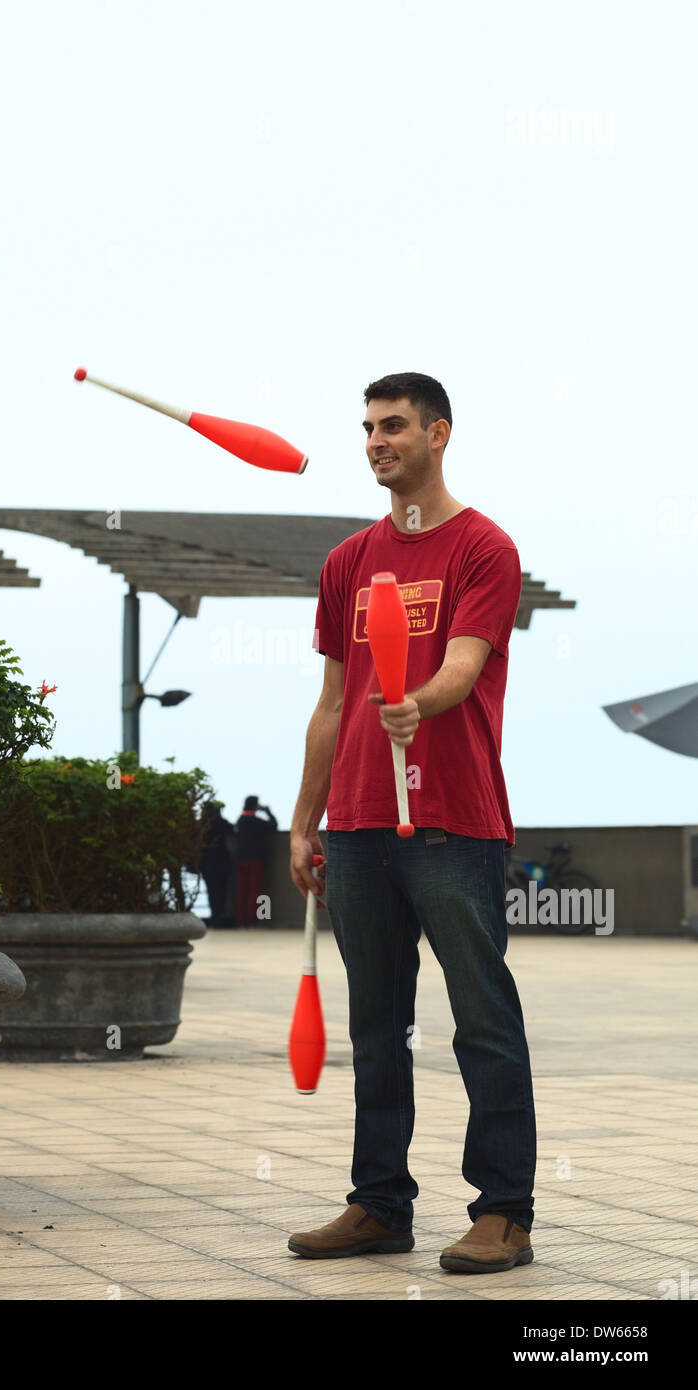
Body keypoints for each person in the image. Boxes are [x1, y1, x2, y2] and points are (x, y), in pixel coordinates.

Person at [288, 371, 536, 1274]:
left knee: (482, 1019)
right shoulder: (348, 561)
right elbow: (331, 703)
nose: (375, 441)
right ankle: (379, 1204)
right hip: (357, 825)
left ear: (439, 433)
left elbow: (464, 669)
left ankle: (504, 1212)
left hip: (454, 823)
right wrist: (305, 819)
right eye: (366, 428)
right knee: (376, 1025)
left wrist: (415, 703)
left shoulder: (485, 548)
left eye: (393, 426)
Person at [234, 796, 277, 926]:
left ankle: (242, 920)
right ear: (255, 806)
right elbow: (273, 825)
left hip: (241, 858)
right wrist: (268, 812)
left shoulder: (240, 821)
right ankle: (253, 920)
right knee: (254, 891)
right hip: (256, 859)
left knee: (241, 891)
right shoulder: (257, 821)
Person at [197, 801, 235, 928]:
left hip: (206, 862)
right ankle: (219, 917)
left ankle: (215, 917)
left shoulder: (201, 824)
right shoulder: (221, 822)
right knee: (222, 891)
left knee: (211, 891)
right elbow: (232, 829)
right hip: (222, 861)